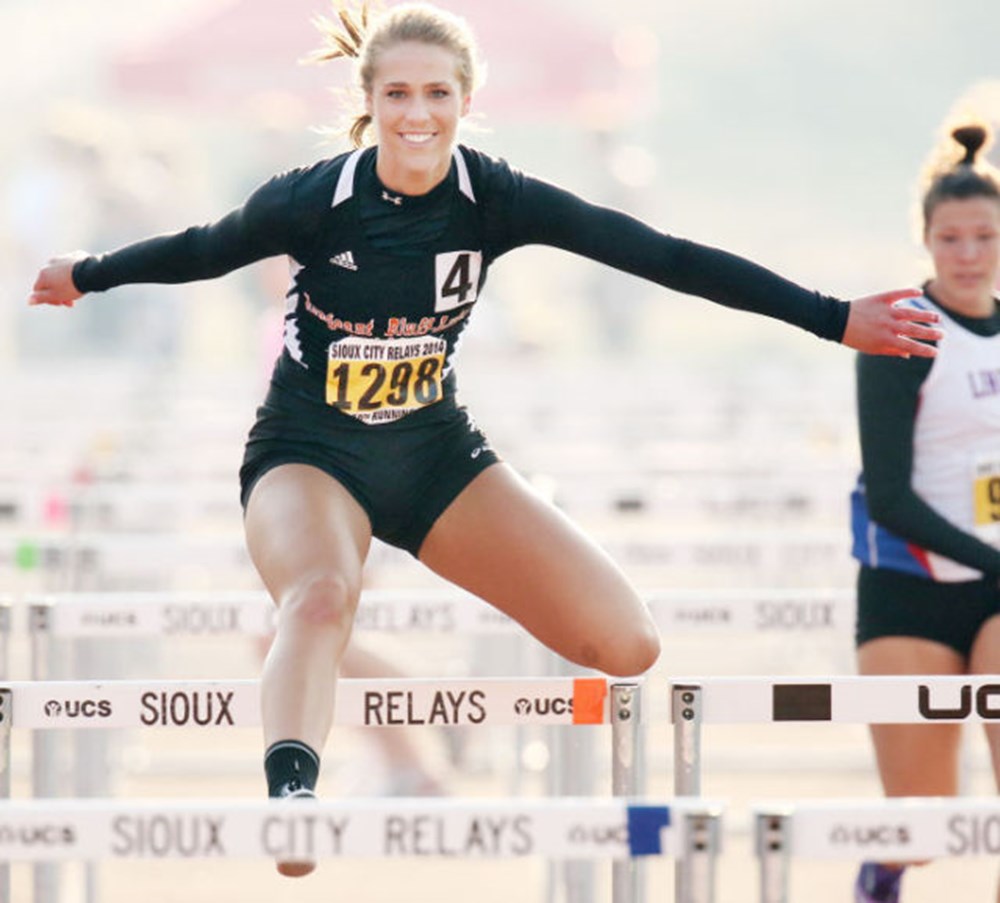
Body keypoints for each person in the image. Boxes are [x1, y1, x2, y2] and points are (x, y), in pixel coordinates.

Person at [30, 1, 941, 878]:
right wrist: (89, 273)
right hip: (310, 450)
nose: (417, 115)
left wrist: (831, 317)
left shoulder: (496, 197)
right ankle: (294, 794)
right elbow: (201, 247)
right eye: (397, 95)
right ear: (369, 104)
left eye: (437, 95)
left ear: (466, 101)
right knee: (317, 596)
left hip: (432, 453)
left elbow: (663, 254)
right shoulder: (311, 200)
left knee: (627, 645)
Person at [850, 122, 1000, 903]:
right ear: (927, 239)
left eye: (984, 236)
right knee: (921, 828)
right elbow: (889, 495)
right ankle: (879, 880)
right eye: (952, 237)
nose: (969, 253)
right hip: (909, 584)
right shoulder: (901, 330)